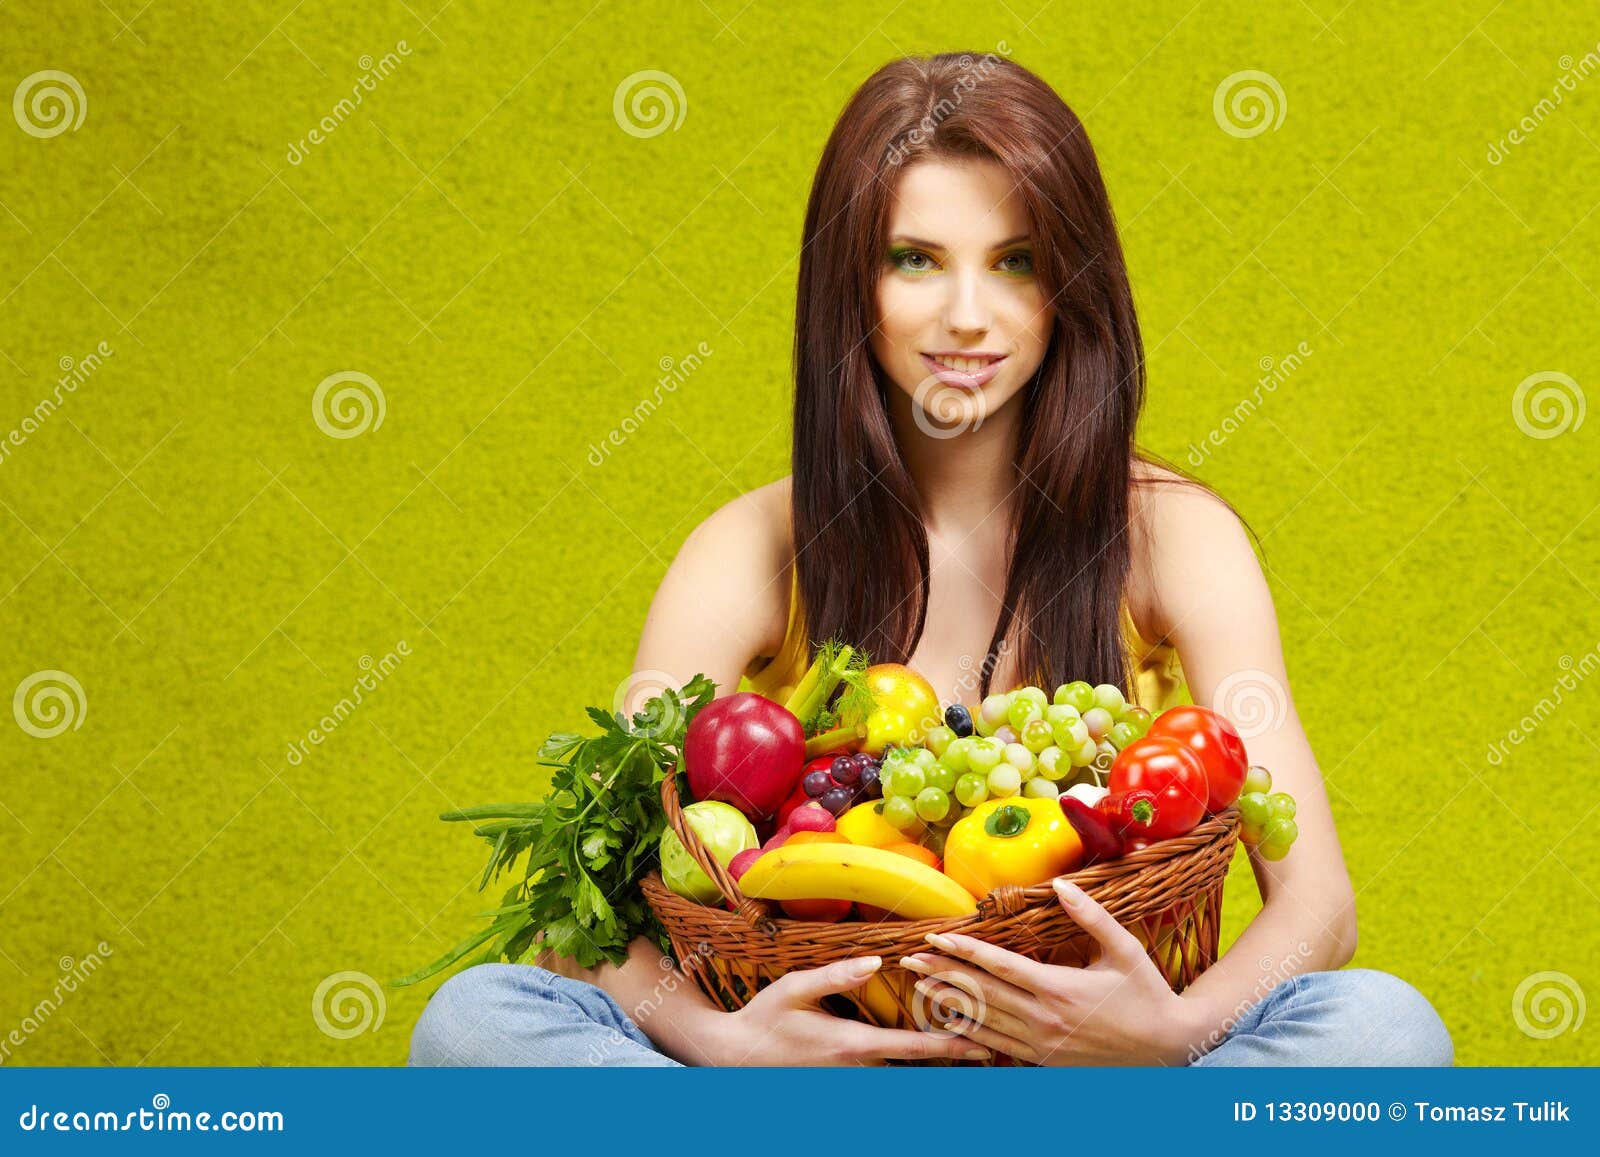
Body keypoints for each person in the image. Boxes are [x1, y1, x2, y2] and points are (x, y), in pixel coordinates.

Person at [409, 52, 1453, 1067]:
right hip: (822, 1087)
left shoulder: (1170, 534)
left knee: (1382, 1031)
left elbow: (1319, 905)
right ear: (848, 286)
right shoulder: (748, 548)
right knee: (476, 1024)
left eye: (1016, 260)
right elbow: (577, 912)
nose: (966, 314)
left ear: (1071, 285)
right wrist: (724, 1044)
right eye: (914, 258)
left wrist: (1173, 1036)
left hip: (1087, 1086)